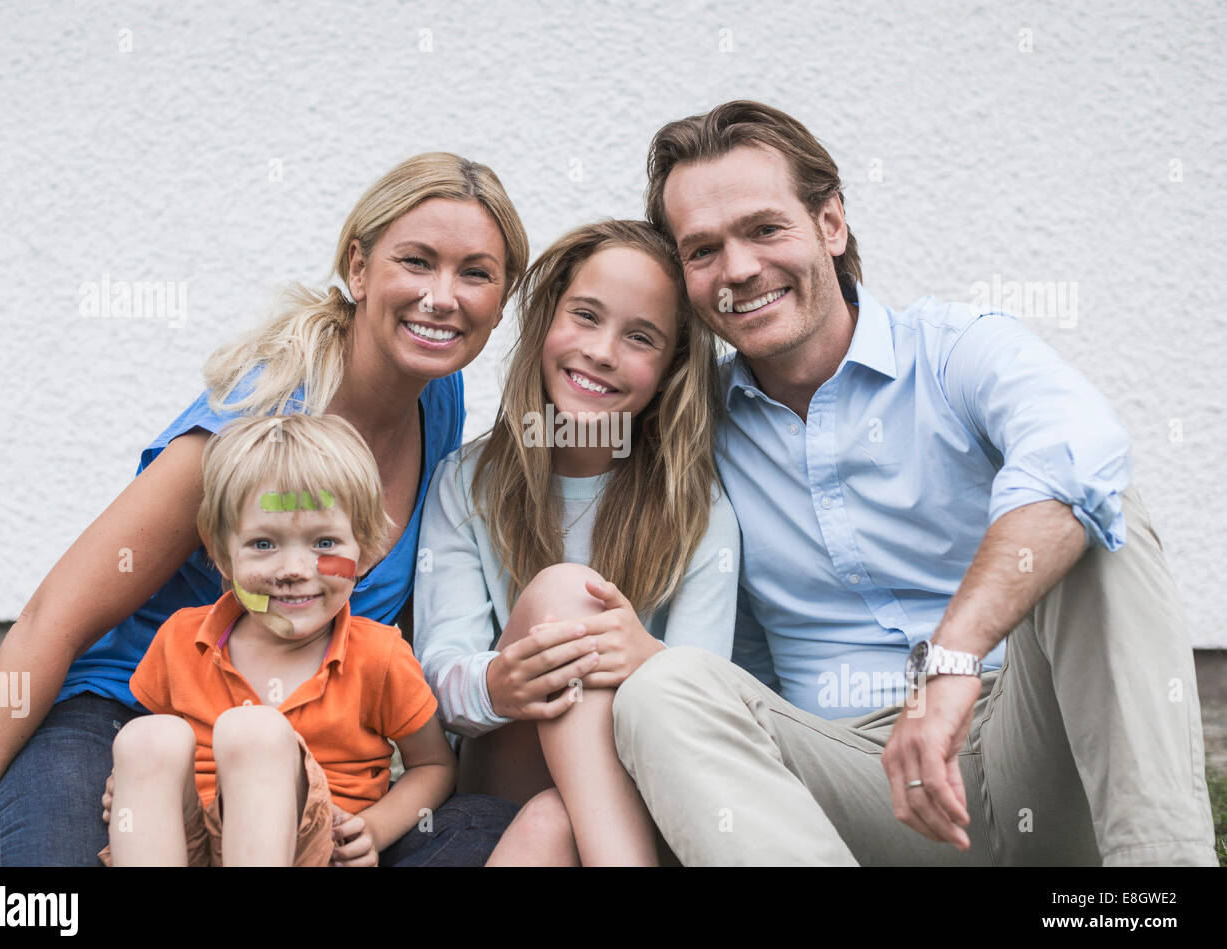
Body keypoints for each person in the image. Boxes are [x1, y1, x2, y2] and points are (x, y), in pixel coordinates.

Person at [611, 100, 1218, 866]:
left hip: (1037, 745)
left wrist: (953, 663)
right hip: (855, 788)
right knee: (661, 689)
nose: (737, 269)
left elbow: (1079, 449)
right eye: (703, 250)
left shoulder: (954, 350)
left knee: (1098, 518)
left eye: (765, 229)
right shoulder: (693, 429)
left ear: (830, 223)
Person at [0, 152, 529, 867]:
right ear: (359, 269)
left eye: (475, 273)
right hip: (139, 722)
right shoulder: (249, 420)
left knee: (490, 835)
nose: (441, 297)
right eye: (417, 262)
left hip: (301, 752)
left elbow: (383, 652)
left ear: (503, 297)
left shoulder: (437, 398)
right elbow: (49, 619)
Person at [414, 220, 740, 865]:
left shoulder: (697, 509)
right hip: (500, 775)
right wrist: (499, 684)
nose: (601, 351)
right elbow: (438, 670)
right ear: (545, 321)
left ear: (672, 367)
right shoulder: (467, 482)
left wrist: (646, 657)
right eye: (585, 316)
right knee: (567, 591)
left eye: (640, 337)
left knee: (552, 821)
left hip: (638, 783)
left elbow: (705, 705)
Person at [101, 413, 456, 866]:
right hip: (191, 844)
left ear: (365, 548)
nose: (293, 569)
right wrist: (131, 778)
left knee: (254, 730)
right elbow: (159, 761)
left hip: (312, 845)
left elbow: (435, 766)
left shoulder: (379, 655)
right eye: (264, 544)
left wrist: (376, 828)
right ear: (220, 550)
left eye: (324, 543)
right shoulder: (181, 639)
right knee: (146, 737)